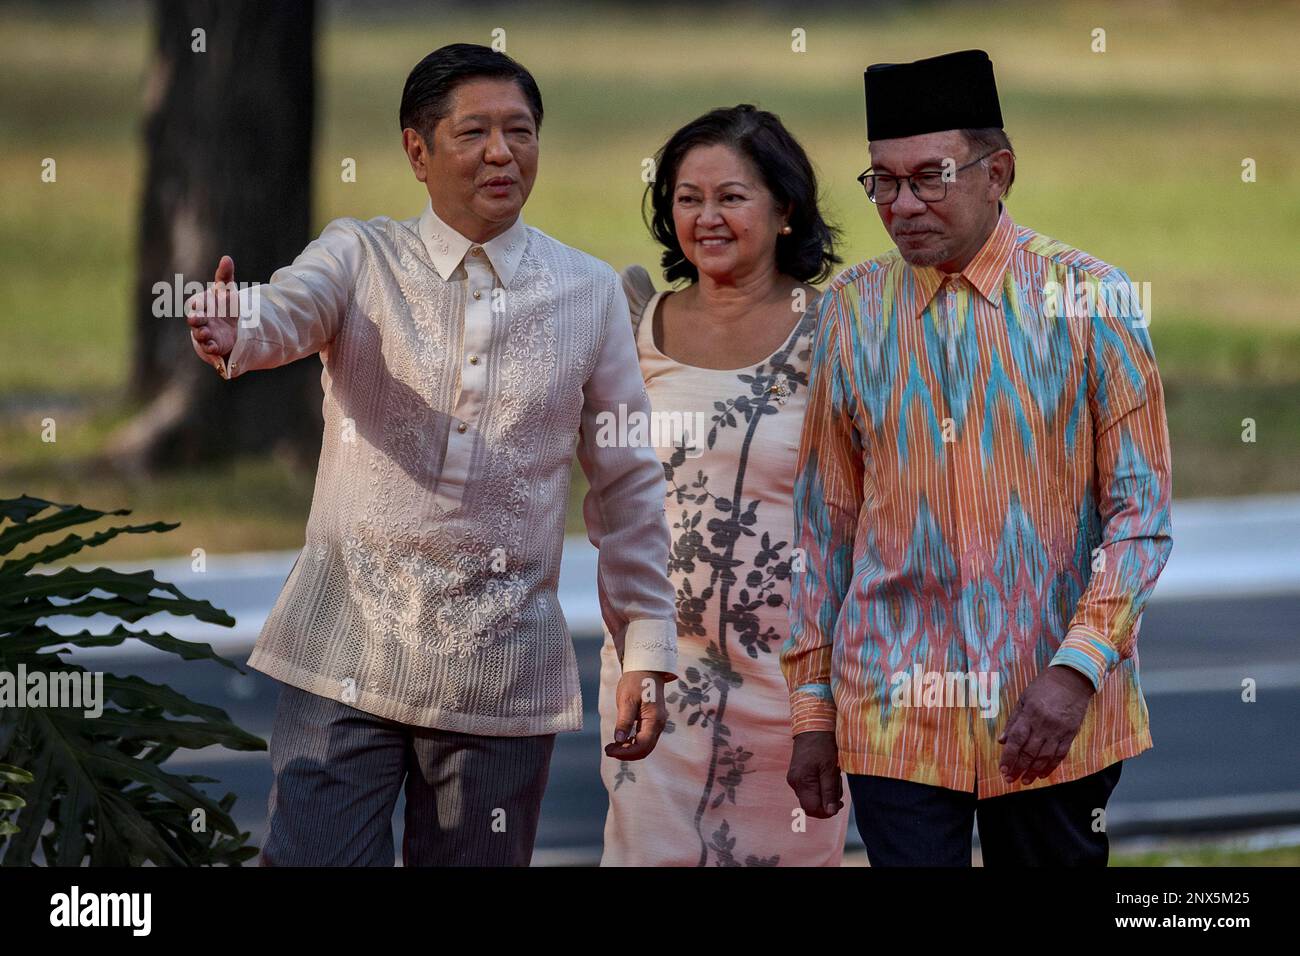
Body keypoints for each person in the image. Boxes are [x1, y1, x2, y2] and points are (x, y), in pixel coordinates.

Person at [183, 43, 678, 866]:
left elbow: (627, 491)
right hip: (347, 642)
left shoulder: (587, 292)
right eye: (473, 132)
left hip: (500, 664)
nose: (501, 153)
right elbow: (291, 308)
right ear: (417, 151)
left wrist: (647, 652)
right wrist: (241, 325)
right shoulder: (360, 256)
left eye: (521, 132)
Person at [782, 50, 1173, 866]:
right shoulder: (852, 313)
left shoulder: (1090, 299)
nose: (902, 205)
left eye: (931, 177)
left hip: (1052, 705)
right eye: (882, 182)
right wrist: (813, 712)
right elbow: (826, 529)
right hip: (893, 704)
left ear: (999, 172)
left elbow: (1141, 516)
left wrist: (1078, 670)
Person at [598, 105, 849, 866]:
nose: (706, 217)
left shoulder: (837, 329)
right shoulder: (634, 317)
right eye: (686, 197)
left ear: (784, 211)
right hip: (657, 677)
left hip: (792, 686)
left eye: (731, 197)